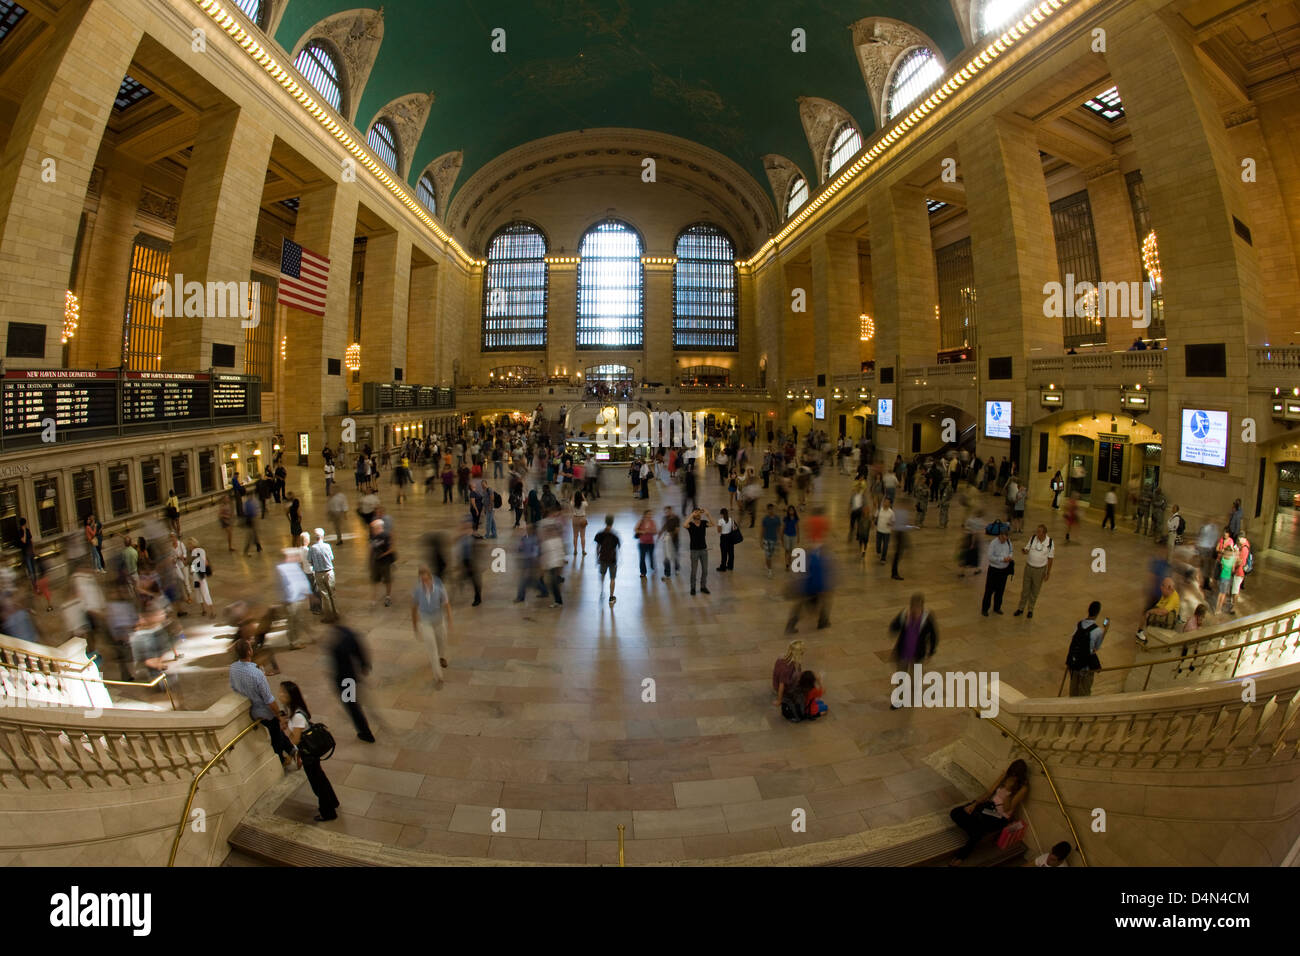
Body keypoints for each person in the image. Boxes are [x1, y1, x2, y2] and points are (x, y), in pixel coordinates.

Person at [229, 638, 295, 769]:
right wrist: (279, 715)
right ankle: (281, 760)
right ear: (249, 651)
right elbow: (268, 699)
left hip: (251, 712)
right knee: (276, 736)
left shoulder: (233, 668)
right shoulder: (257, 674)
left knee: (276, 732)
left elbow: (234, 688)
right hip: (265, 712)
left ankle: (292, 750)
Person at [279, 680, 339, 822]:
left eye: (283, 692)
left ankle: (328, 812)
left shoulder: (297, 716)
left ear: (290, 696)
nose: (279, 694)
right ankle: (333, 802)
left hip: (309, 755)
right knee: (321, 779)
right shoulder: (294, 711)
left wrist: (289, 753)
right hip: (308, 754)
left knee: (317, 784)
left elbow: (296, 739)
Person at [948, 759, 1029, 864]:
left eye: (1015, 775)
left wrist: (1009, 790)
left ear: (1020, 776)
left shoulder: (1023, 788)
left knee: (978, 832)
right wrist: (974, 804)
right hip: (989, 807)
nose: (1012, 776)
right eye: (1012, 773)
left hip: (1000, 816)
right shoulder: (1005, 775)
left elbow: (1007, 809)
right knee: (955, 812)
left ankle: (961, 857)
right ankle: (974, 831)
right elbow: (989, 792)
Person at [889, 593, 938, 710]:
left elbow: (934, 635)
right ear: (910, 606)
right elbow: (893, 628)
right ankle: (898, 700)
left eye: (918, 607)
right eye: (913, 607)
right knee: (900, 677)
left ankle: (914, 692)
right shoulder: (904, 615)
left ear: (922, 607)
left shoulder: (927, 618)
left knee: (915, 677)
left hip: (918, 654)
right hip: (903, 653)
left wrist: (931, 651)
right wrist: (902, 622)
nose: (915, 610)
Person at [412, 565, 452, 684]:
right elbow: (413, 608)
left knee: (442, 641)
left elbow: (446, 603)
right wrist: (415, 626)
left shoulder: (439, 586)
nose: (425, 582)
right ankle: (438, 675)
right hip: (425, 621)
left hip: (439, 619)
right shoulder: (417, 589)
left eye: (427, 579)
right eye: (422, 579)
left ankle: (442, 656)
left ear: (430, 577)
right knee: (431, 648)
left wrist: (450, 619)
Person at [1066, 601, 1108, 696]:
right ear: (1097, 613)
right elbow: (1096, 648)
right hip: (1086, 665)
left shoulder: (1079, 624)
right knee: (1084, 691)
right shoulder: (1097, 631)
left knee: (1073, 689)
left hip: (1075, 663)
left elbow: (1073, 639)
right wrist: (1105, 630)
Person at [1013, 524, 1054, 619]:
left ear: (1044, 533)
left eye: (1039, 532)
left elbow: (1050, 558)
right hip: (1029, 568)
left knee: (1035, 591)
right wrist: (1024, 551)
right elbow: (1027, 549)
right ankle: (1021, 608)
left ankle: (1030, 609)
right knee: (1025, 590)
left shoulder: (1050, 542)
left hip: (1040, 570)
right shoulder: (1033, 538)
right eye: (1037, 531)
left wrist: (1048, 572)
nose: (1037, 533)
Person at [982, 522, 1013, 616]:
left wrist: (1009, 557)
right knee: (989, 590)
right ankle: (985, 609)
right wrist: (1002, 559)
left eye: (1006, 538)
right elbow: (990, 557)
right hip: (994, 570)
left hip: (1004, 571)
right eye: (1003, 538)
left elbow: (1011, 551)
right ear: (999, 536)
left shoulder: (1008, 542)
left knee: (1000, 590)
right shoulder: (993, 543)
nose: (1005, 539)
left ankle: (997, 607)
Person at [1136, 577, 1180, 642]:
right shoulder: (1167, 593)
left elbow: (1164, 612)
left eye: (1163, 586)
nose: (1161, 587)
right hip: (1162, 609)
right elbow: (1160, 604)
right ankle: (1140, 631)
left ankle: (1144, 634)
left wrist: (1150, 611)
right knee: (1146, 612)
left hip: (1168, 618)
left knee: (1148, 615)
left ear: (1169, 588)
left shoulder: (1173, 598)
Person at [309, 528, 337, 621]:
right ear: (323, 536)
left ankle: (329, 616)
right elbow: (331, 558)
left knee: (325, 596)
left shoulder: (312, 548)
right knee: (332, 594)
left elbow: (309, 560)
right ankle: (336, 613)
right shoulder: (327, 546)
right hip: (329, 572)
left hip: (319, 574)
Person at [369, 518, 396, 608]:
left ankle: (388, 597)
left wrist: (383, 555)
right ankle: (373, 599)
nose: (372, 530)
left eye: (374, 528)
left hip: (385, 562)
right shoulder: (372, 535)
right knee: (375, 580)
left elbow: (392, 548)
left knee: (387, 580)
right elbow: (371, 547)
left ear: (379, 527)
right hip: (376, 562)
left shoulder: (386, 535)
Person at [686, 508, 713, 596]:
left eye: (699, 513)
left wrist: (708, 514)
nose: (698, 514)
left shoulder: (704, 523)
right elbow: (684, 525)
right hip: (694, 551)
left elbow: (713, 524)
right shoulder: (690, 525)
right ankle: (693, 588)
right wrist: (691, 515)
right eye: (696, 513)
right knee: (694, 571)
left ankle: (703, 587)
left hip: (703, 550)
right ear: (693, 515)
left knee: (705, 570)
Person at [594, 515, 620, 605]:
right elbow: (617, 548)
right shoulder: (615, 535)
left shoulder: (600, 534)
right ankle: (611, 597)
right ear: (612, 522)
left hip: (603, 558)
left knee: (602, 574)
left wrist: (597, 557)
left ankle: (602, 590)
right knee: (612, 578)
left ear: (605, 521)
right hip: (612, 559)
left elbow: (597, 547)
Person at [771, 640, 804, 706]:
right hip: (784, 690)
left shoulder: (781, 657)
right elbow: (781, 685)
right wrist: (779, 701)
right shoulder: (788, 668)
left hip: (779, 684)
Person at [187, 537, 213, 617]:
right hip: (195, 576)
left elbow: (206, 563)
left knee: (205, 593)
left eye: (190, 544)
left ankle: (212, 611)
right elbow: (190, 564)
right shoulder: (190, 554)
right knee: (198, 593)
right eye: (189, 544)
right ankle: (203, 610)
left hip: (201, 577)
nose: (189, 546)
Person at [659, 506, 681, 581]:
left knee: (675, 556)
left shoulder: (676, 518)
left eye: (668, 511)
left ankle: (677, 568)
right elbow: (665, 526)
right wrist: (660, 533)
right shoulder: (665, 518)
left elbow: (677, 530)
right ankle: (667, 574)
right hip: (667, 541)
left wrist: (670, 535)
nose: (667, 513)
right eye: (665, 512)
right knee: (666, 558)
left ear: (671, 511)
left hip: (675, 541)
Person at [760, 504, 782, 578]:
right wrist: (761, 540)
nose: (771, 510)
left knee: (771, 555)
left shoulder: (777, 518)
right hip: (766, 539)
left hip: (774, 539)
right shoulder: (765, 519)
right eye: (769, 509)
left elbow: (779, 529)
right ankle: (770, 571)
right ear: (767, 510)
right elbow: (762, 530)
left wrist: (780, 539)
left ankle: (767, 565)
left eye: (772, 509)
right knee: (768, 555)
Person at [716, 507, 738, 573]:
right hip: (730, 537)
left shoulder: (720, 521)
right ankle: (730, 566)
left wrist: (720, 527)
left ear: (721, 514)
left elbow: (719, 531)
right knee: (731, 553)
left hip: (724, 538)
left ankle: (723, 567)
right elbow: (734, 528)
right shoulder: (731, 520)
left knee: (724, 553)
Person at [571, 490, 589, 556]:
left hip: (575, 519)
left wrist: (573, 495)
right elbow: (586, 502)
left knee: (575, 536)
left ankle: (575, 550)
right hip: (582, 519)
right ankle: (583, 550)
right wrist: (583, 496)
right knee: (582, 536)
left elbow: (572, 500)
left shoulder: (573, 503)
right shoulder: (584, 503)